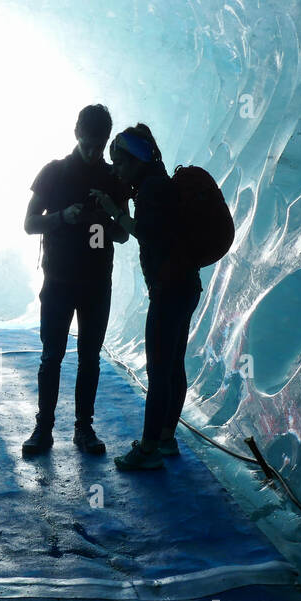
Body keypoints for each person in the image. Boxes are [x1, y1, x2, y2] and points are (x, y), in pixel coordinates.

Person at [90, 124, 203, 471]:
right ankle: (166, 438)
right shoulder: (160, 182)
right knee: (173, 366)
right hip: (185, 286)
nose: (117, 170)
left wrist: (113, 210)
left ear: (137, 159)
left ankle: (149, 448)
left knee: (158, 371)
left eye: (121, 163)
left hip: (169, 291)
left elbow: (148, 235)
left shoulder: (152, 189)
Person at [21, 104, 130, 457]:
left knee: (89, 357)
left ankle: (83, 428)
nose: (93, 149)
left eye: (99, 143)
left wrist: (106, 216)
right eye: (88, 141)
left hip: (96, 282)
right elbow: (29, 224)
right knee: (52, 355)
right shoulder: (53, 173)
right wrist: (64, 217)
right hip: (59, 280)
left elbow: (123, 234)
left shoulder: (114, 178)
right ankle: (44, 428)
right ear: (77, 133)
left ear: (105, 140)